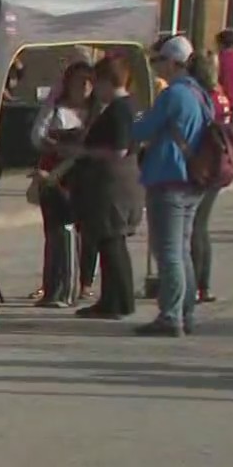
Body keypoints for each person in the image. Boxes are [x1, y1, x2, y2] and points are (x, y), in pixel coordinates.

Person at [130, 35, 212, 337]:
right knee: (182, 249)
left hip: (169, 177)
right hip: (193, 179)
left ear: (173, 63)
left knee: (168, 252)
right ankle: (185, 312)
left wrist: (137, 110)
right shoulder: (200, 93)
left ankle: (170, 316)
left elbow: (141, 127)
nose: (156, 67)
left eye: (159, 61)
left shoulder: (174, 94)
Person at [71, 55, 143, 322]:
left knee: (111, 240)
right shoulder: (132, 105)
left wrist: (86, 151)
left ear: (105, 82)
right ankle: (114, 299)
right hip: (123, 181)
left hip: (113, 183)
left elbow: (119, 149)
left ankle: (118, 301)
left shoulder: (120, 109)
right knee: (112, 241)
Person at [29, 62, 94, 308]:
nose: (84, 86)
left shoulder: (95, 111)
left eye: (89, 81)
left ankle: (74, 286)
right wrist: (57, 146)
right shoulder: (56, 109)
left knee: (76, 232)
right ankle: (53, 287)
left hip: (80, 177)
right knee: (54, 232)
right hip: (53, 175)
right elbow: (37, 136)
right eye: (79, 80)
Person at [188, 50, 232, 307]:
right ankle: (203, 284)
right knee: (201, 226)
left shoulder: (206, 98)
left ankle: (198, 284)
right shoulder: (220, 94)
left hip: (207, 164)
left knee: (196, 226)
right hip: (218, 164)